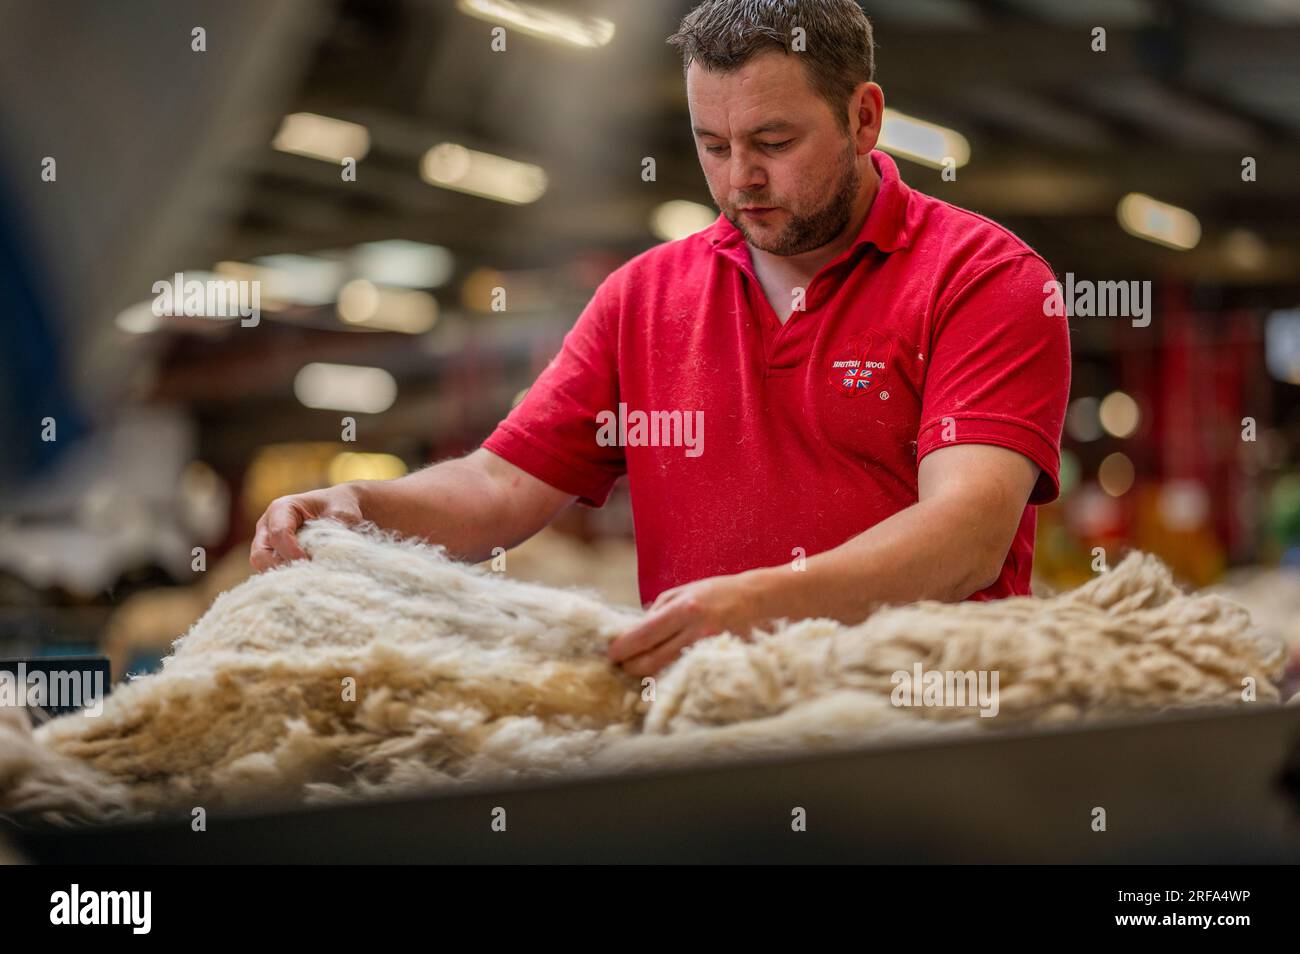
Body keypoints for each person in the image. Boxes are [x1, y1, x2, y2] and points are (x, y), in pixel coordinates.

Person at [251, 0, 1070, 678]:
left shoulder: (982, 279)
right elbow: (501, 486)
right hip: (708, 730)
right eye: (712, 146)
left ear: (863, 118)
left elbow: (966, 535)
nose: (739, 178)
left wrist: (755, 608)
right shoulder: (643, 299)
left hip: (932, 729)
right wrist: (360, 507)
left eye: (774, 144)